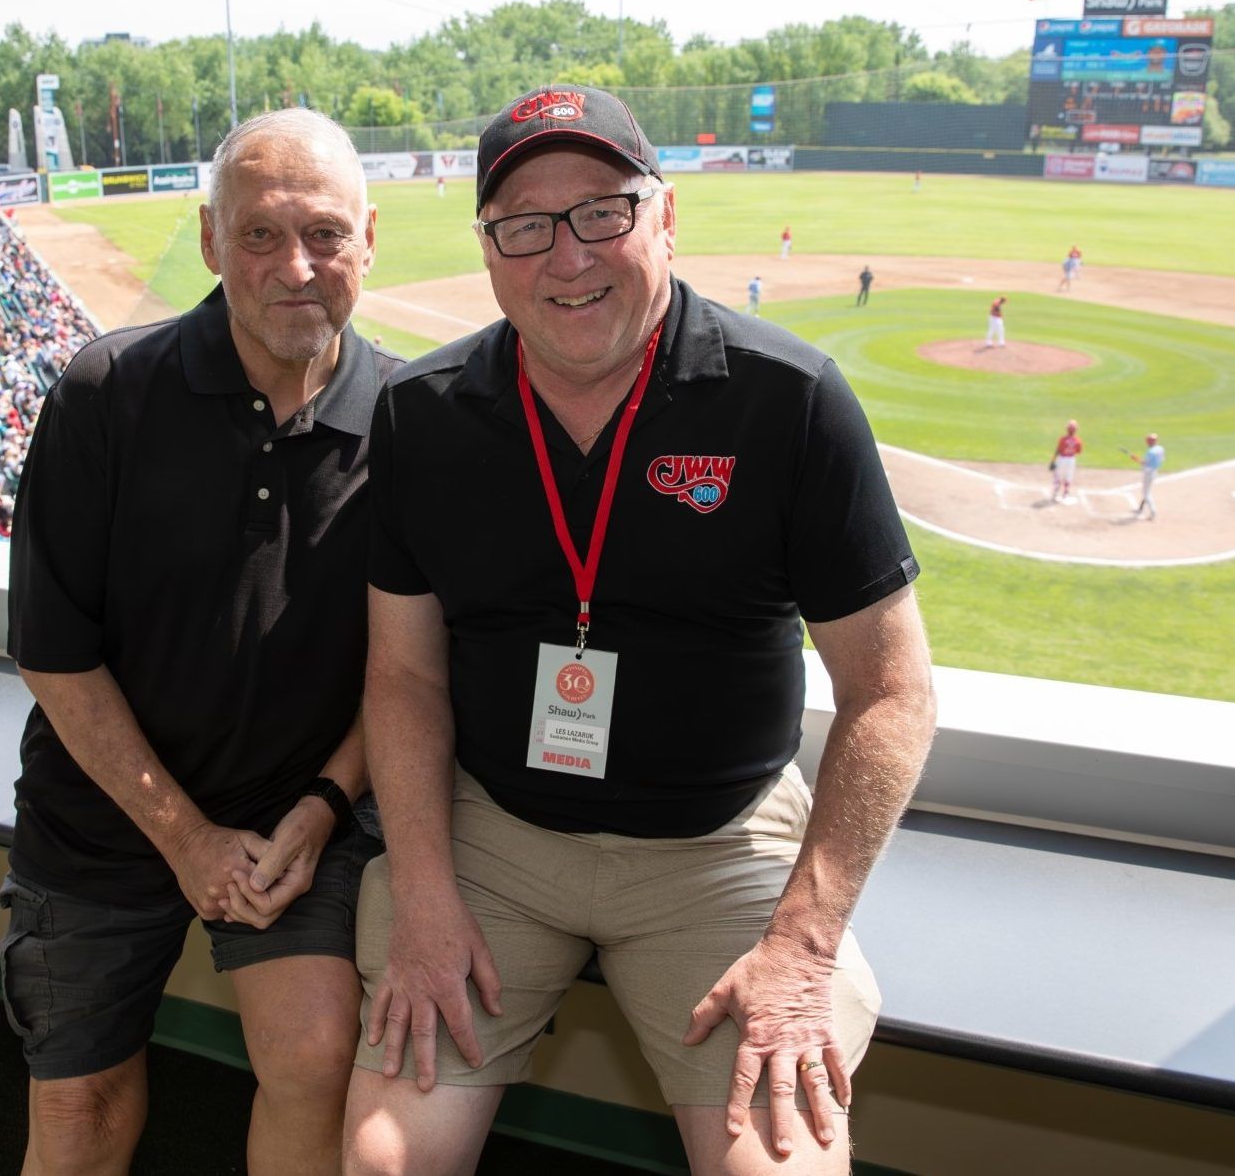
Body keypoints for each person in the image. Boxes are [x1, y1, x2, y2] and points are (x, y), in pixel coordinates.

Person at [344, 84, 936, 1176]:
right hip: (492, 836)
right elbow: (404, 676)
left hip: (717, 845)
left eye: (602, 211)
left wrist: (801, 947)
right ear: (488, 249)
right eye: (524, 224)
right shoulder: (421, 412)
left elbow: (892, 691)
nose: (565, 256)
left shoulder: (788, 398)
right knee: (386, 1159)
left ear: (664, 217)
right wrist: (423, 897)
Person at [2, 108, 398, 1176]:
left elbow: (407, 671)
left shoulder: (413, 422)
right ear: (213, 242)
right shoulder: (107, 393)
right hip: (106, 811)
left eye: (324, 233)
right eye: (260, 235)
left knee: (315, 1056)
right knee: (78, 1109)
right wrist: (183, 837)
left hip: (295, 819)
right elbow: (51, 649)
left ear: (371, 236)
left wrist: (319, 810)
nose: (295, 266)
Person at [1130, 432, 1165, 519]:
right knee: (1146, 490)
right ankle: (1140, 508)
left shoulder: (1151, 452)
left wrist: (1135, 458)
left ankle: (1153, 511)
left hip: (1148, 473)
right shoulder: (1160, 448)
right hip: (1155, 471)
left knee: (1146, 493)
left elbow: (1144, 462)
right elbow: (1162, 459)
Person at [1051, 418, 1083, 503]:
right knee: (1068, 476)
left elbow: (1058, 450)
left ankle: (1055, 494)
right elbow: (1078, 451)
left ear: (1067, 429)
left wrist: (1052, 461)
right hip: (1071, 460)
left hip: (1061, 459)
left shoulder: (1062, 439)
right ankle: (1065, 494)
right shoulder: (1078, 441)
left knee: (1058, 476)